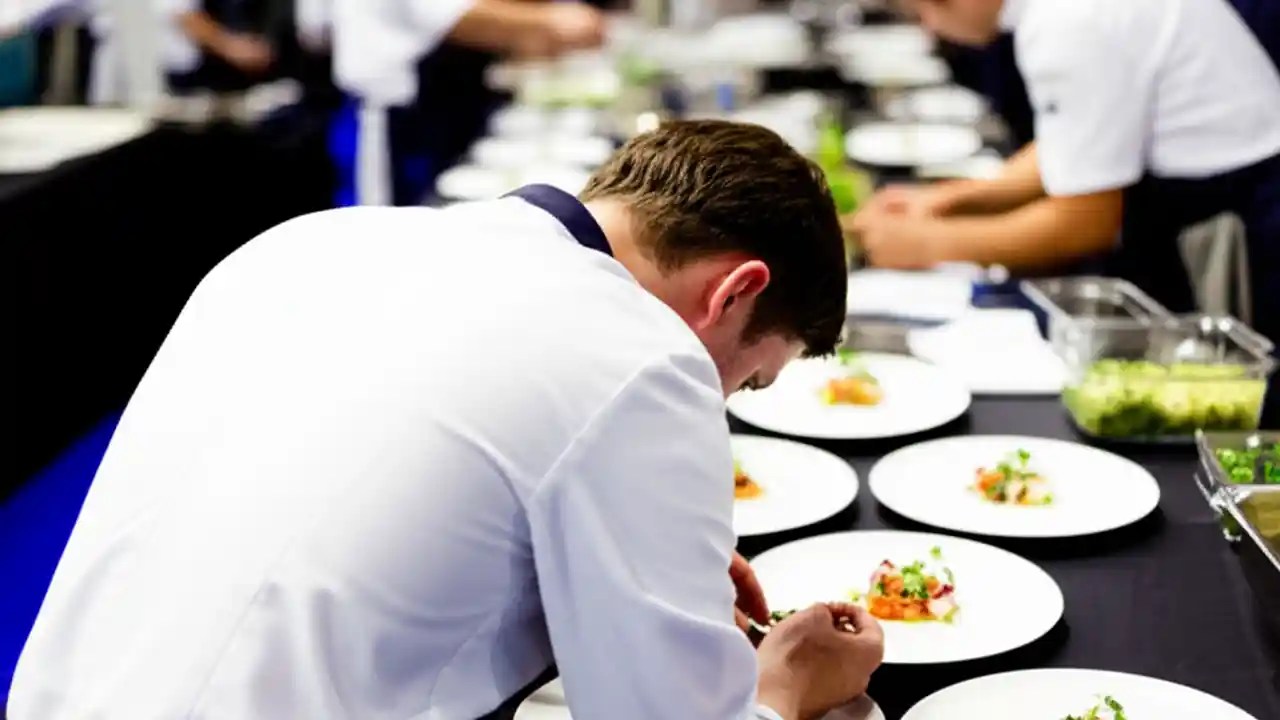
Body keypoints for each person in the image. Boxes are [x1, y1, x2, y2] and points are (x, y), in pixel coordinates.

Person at [8, 120, 884, 720]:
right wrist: (785, 689)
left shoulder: (310, 241)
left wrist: (645, 565)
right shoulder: (645, 360)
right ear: (738, 290)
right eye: (750, 379)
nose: (723, 398)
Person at [849, 0, 1280, 343]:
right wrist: (956, 197)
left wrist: (928, 244)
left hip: (1250, 217)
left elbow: (1086, 223)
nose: (930, 28)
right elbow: (1083, 136)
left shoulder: (1066, 23)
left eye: (927, 8)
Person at [331, 0, 607, 206]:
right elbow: (447, 13)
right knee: (385, 232)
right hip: (390, 116)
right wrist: (550, 21)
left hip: (445, 103)